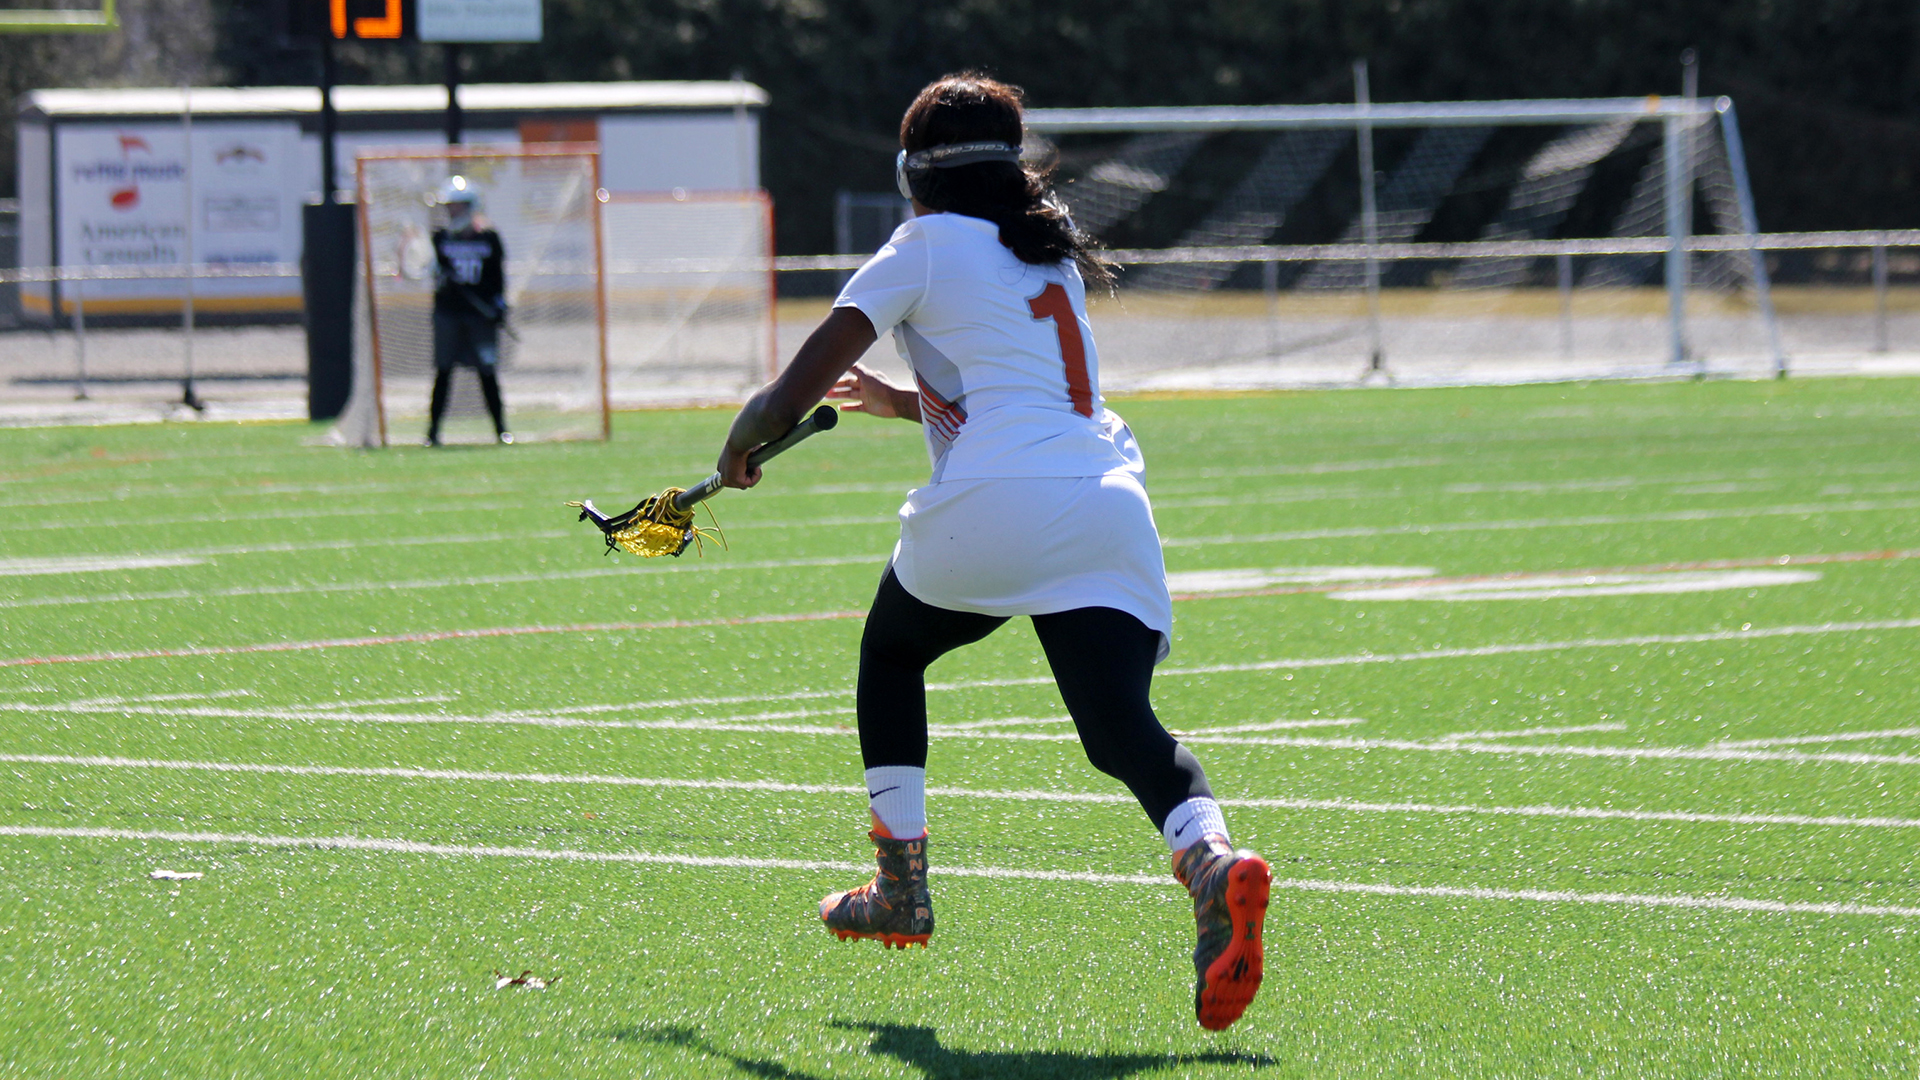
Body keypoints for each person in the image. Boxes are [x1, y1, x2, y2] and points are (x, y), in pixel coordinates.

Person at [714, 73, 1271, 1033]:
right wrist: (904, 403)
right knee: (1121, 730)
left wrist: (739, 446)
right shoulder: (1046, 249)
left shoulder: (922, 244)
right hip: (1105, 501)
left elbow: (789, 392)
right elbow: (1018, 398)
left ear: (913, 175)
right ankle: (1212, 862)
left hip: (995, 505)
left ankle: (900, 887)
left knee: (893, 654)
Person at [424, 176, 511, 446]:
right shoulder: (439, 238)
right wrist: (441, 277)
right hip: (448, 315)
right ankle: (432, 432)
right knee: (443, 372)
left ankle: (501, 430)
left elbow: (498, 278)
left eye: (457, 205)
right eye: (449, 206)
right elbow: (428, 271)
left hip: (479, 317)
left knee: (487, 372)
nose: (452, 211)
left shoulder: (489, 237)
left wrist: (498, 305)